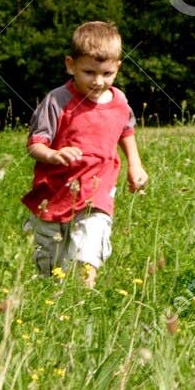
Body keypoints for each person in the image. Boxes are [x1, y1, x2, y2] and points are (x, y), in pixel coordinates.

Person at [21, 21, 148, 287]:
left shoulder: (119, 101)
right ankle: (53, 304)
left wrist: (134, 165)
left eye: (107, 73)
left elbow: (126, 130)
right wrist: (53, 155)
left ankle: (83, 299)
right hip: (54, 195)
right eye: (89, 72)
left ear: (118, 68)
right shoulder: (57, 101)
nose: (99, 81)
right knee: (49, 266)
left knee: (88, 250)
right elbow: (35, 144)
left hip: (97, 194)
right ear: (70, 65)